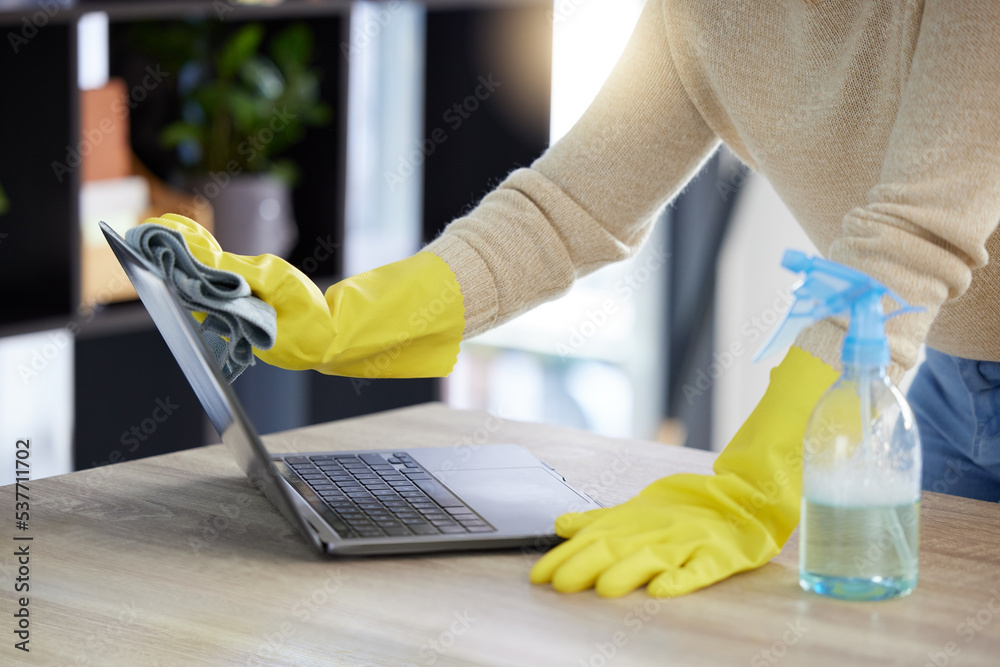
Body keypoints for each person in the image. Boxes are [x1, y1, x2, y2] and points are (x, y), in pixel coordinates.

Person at [151, 0, 1000, 597]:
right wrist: (347, 321)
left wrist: (754, 483)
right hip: (953, 385)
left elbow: (913, 236)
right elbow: (570, 207)